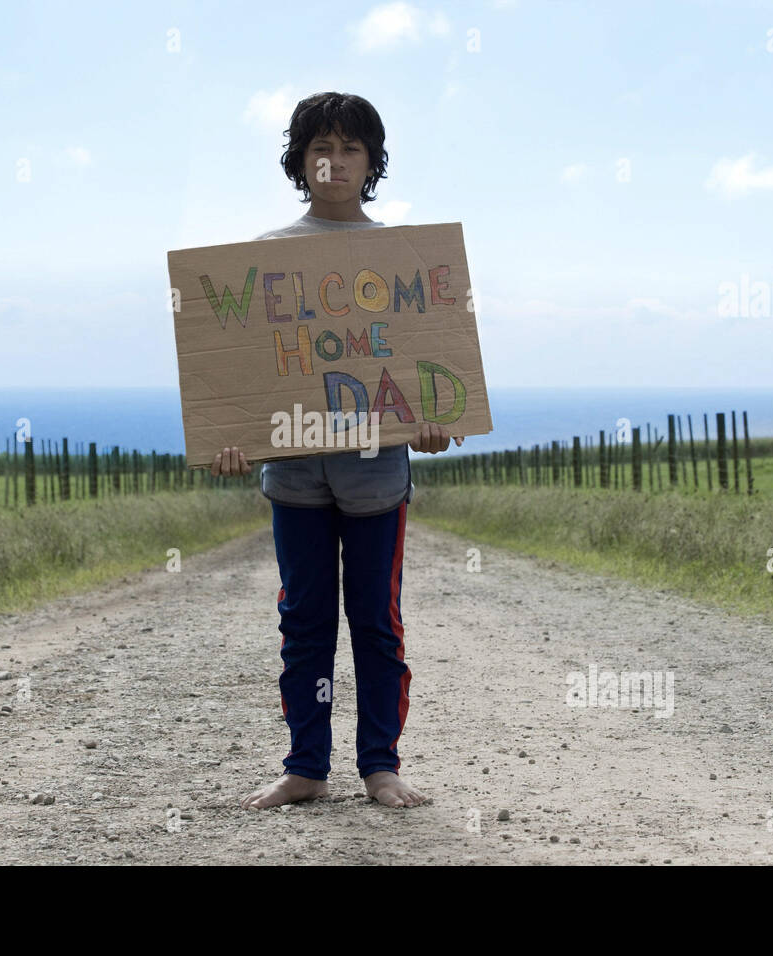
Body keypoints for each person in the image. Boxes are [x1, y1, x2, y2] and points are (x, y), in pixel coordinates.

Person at [210, 92, 463, 810]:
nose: (335, 159)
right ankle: (305, 768)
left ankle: (381, 765)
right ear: (299, 160)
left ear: (372, 161)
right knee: (304, 623)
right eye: (321, 145)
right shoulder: (264, 259)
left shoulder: (404, 260)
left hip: (377, 478)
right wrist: (230, 439)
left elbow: (424, 368)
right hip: (293, 474)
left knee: (377, 624)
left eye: (351, 148)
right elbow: (235, 376)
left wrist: (433, 423)